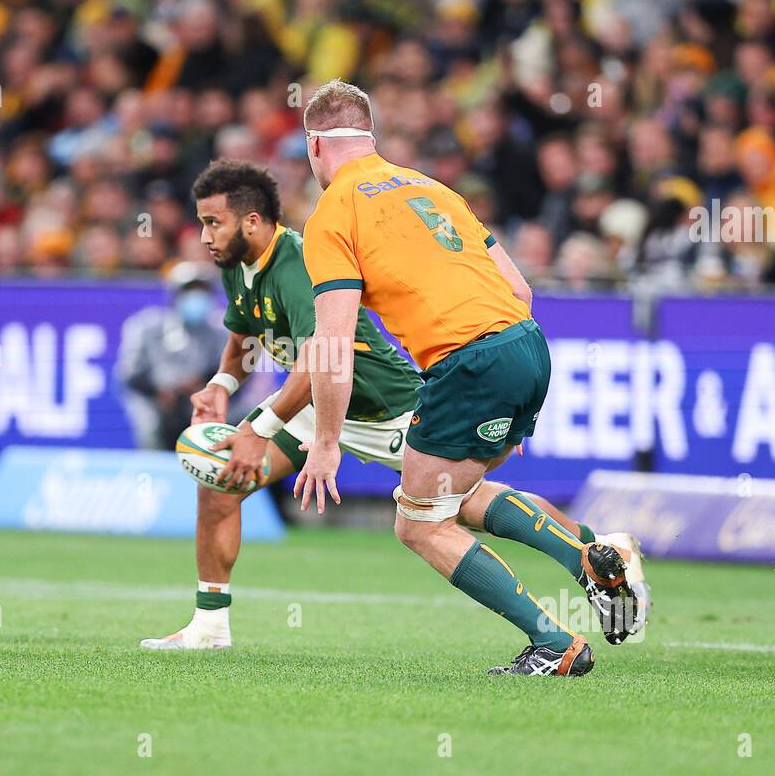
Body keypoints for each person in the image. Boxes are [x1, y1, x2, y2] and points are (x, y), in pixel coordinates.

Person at [140, 159, 622, 650]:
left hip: (379, 405)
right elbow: (246, 333)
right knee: (222, 482)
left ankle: (589, 550)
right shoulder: (238, 266)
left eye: (212, 222)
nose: (204, 236)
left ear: (251, 221)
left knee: (461, 505)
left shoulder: (298, 265)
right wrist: (221, 383)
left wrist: (258, 427)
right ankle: (210, 627)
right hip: (319, 405)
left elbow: (319, 360)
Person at [294, 80, 649, 677]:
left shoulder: (331, 215)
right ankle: (590, 557)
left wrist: (326, 442)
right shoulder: (432, 187)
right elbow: (520, 290)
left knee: (420, 522)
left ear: (315, 147)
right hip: (526, 345)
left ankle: (553, 642)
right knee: (455, 495)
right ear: (369, 136)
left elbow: (334, 344)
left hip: (468, 361)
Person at [116, 263, 230, 450]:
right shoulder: (148, 328)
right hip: (159, 411)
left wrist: (202, 387)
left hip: (207, 410)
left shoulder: (222, 331)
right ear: (176, 295)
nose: (196, 298)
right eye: (189, 291)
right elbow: (131, 374)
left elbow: (236, 372)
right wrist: (160, 391)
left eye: (201, 291)